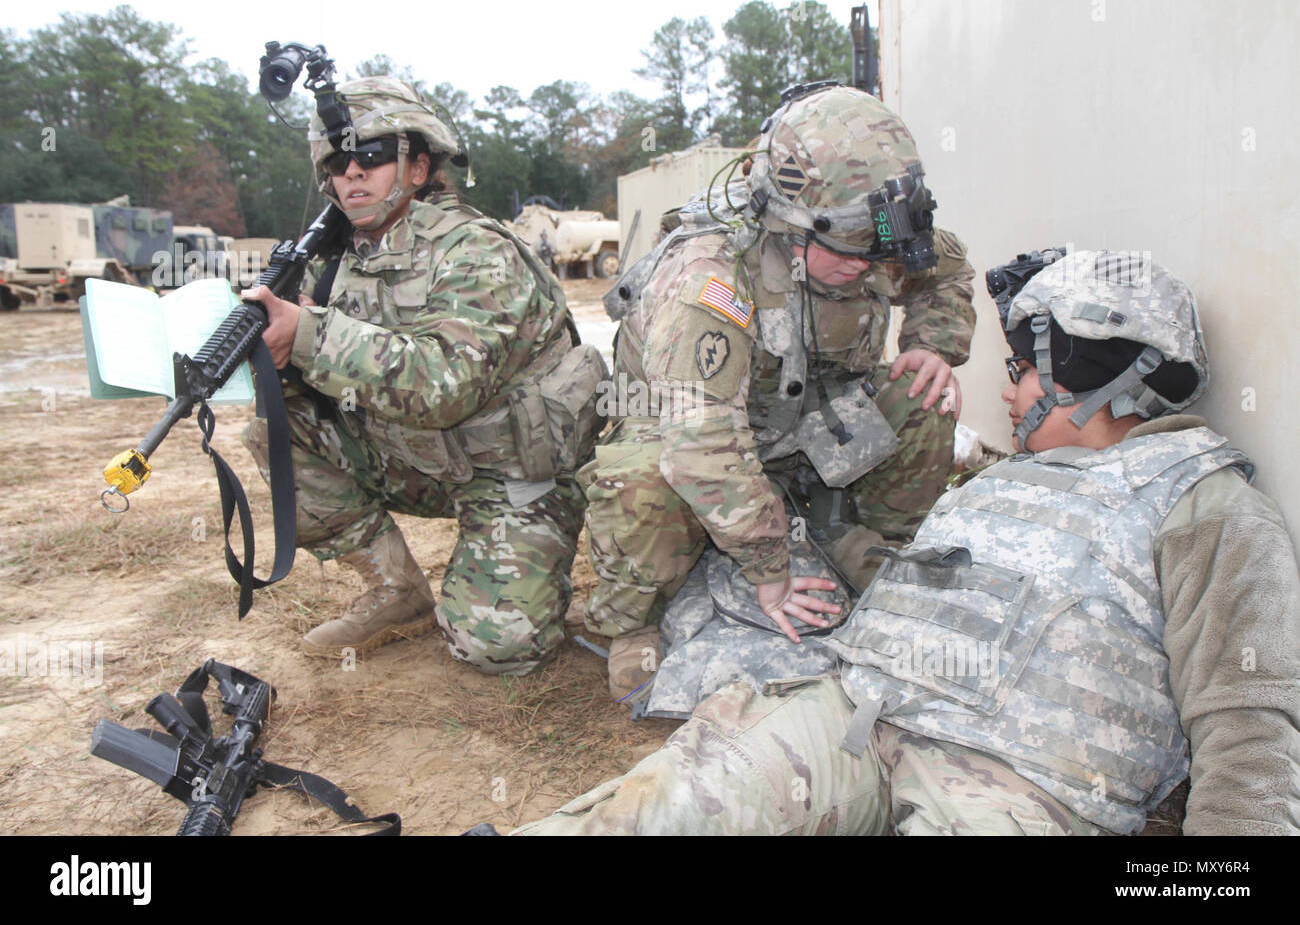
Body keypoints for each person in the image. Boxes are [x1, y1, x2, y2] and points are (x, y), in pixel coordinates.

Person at [513, 249, 1300, 835]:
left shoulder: (1207, 505)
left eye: (1024, 369)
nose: (1006, 388)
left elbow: (1250, 721)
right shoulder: (999, 484)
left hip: (1015, 781)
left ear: (1093, 381)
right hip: (860, 717)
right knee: (657, 812)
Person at [584, 82, 975, 694]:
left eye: (880, 252)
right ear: (790, 223)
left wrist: (932, 346)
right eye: (850, 253)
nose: (868, 267)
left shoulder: (868, 233)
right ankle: (635, 620)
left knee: (923, 395)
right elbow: (701, 443)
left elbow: (944, 272)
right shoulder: (709, 275)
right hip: (693, 432)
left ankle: (859, 536)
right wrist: (770, 568)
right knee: (643, 483)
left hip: (806, 419)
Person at [240, 77, 606, 674]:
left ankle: (524, 569)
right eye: (337, 161)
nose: (353, 172)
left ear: (418, 166)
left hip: (513, 473)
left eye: (373, 155)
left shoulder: (476, 251)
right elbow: (327, 379)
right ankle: (398, 592)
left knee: (496, 648)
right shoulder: (336, 263)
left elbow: (444, 384)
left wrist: (307, 335)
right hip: (417, 460)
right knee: (276, 431)